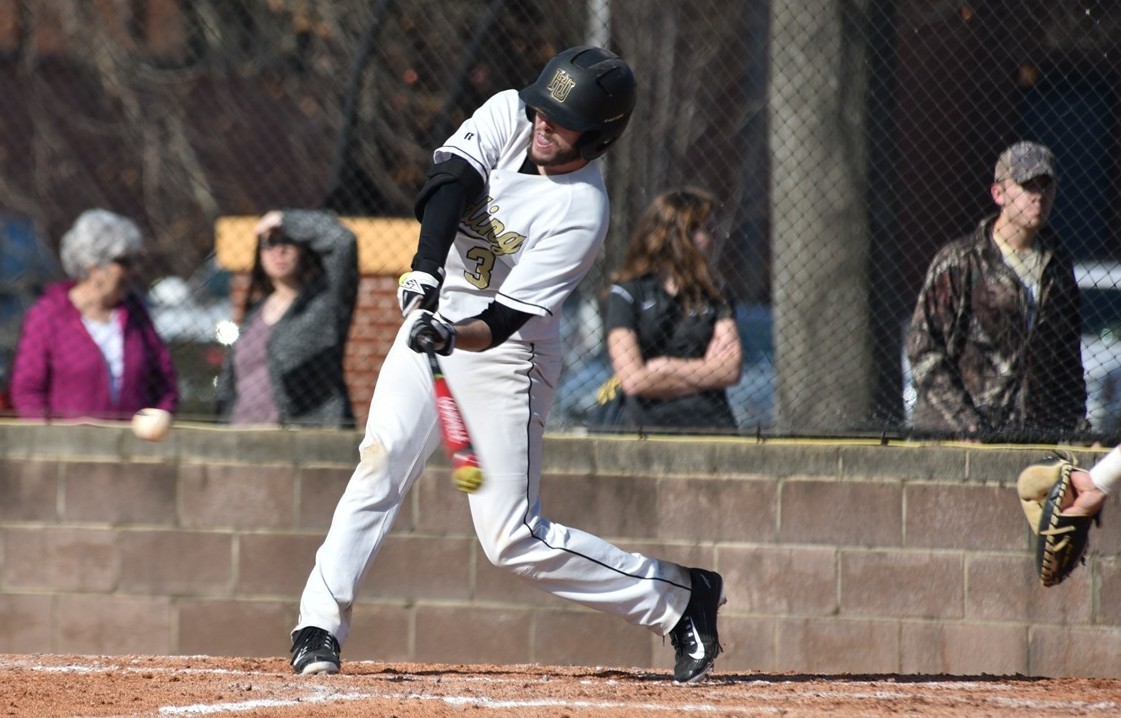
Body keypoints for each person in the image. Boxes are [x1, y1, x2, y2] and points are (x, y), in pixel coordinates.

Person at [288, 46, 725, 685]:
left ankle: (681, 597)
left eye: (562, 119)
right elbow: (449, 185)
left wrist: (450, 330)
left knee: (511, 539)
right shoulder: (510, 112)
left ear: (598, 137)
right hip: (434, 319)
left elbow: (500, 326)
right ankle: (318, 624)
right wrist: (428, 270)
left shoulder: (580, 212)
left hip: (505, 356)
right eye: (544, 108)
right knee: (379, 461)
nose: (543, 123)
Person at [906, 141, 1086, 439]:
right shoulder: (962, 262)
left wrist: (1077, 429)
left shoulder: (1057, 266)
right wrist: (968, 426)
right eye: (1027, 186)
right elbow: (924, 350)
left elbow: (1067, 359)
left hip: (1032, 439)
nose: (1038, 197)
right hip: (955, 443)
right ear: (998, 193)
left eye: (1046, 186)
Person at [9, 209, 179, 420]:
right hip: (67, 447)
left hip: (132, 446)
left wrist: (157, 420)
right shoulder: (48, 315)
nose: (132, 270)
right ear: (94, 265)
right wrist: (49, 437)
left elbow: (165, 383)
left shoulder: (137, 314)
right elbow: (27, 390)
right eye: (124, 262)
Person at [599, 188, 742, 431]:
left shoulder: (717, 294)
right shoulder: (628, 292)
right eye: (708, 230)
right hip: (644, 427)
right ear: (679, 236)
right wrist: (704, 374)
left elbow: (729, 369)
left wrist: (666, 367)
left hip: (711, 424)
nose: (718, 237)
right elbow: (633, 379)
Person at [215, 209, 358, 428]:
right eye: (270, 243)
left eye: (289, 242)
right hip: (242, 437)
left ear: (304, 249)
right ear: (259, 253)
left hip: (305, 441)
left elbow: (342, 241)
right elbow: (231, 384)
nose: (279, 250)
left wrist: (285, 220)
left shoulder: (325, 304)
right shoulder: (254, 313)